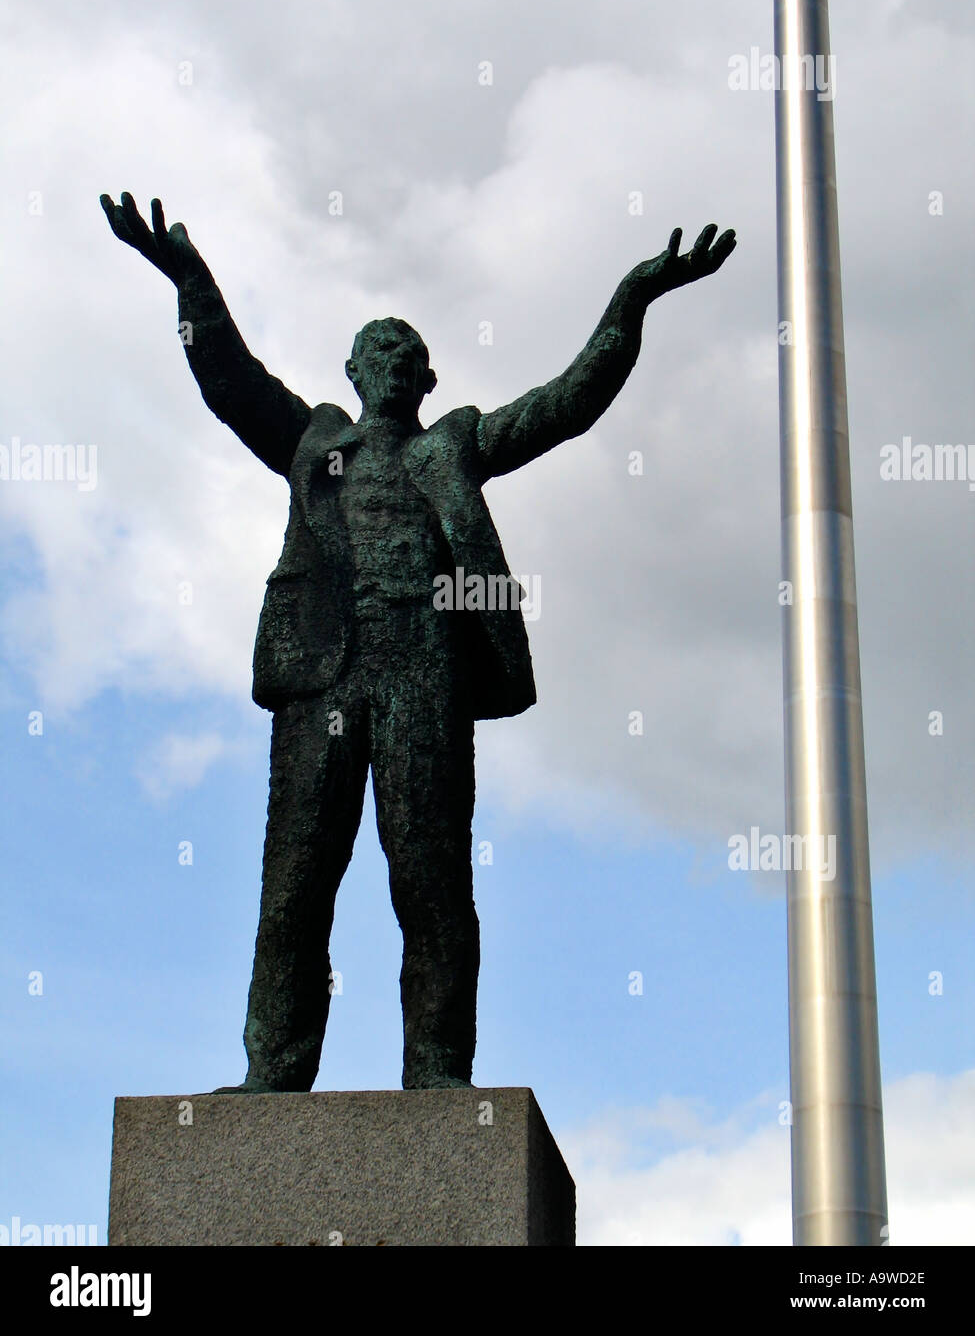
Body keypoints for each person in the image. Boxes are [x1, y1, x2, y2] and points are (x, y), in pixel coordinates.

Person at [100, 191, 736, 1089]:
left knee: (429, 881)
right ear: (355, 371)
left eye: (409, 355)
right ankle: (272, 1072)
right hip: (322, 673)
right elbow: (228, 381)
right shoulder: (313, 441)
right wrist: (187, 279)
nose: (394, 363)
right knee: (293, 885)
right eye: (379, 351)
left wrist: (631, 301)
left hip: (422, 670)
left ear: (427, 382)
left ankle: (437, 1073)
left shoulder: (453, 446)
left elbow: (565, 403)